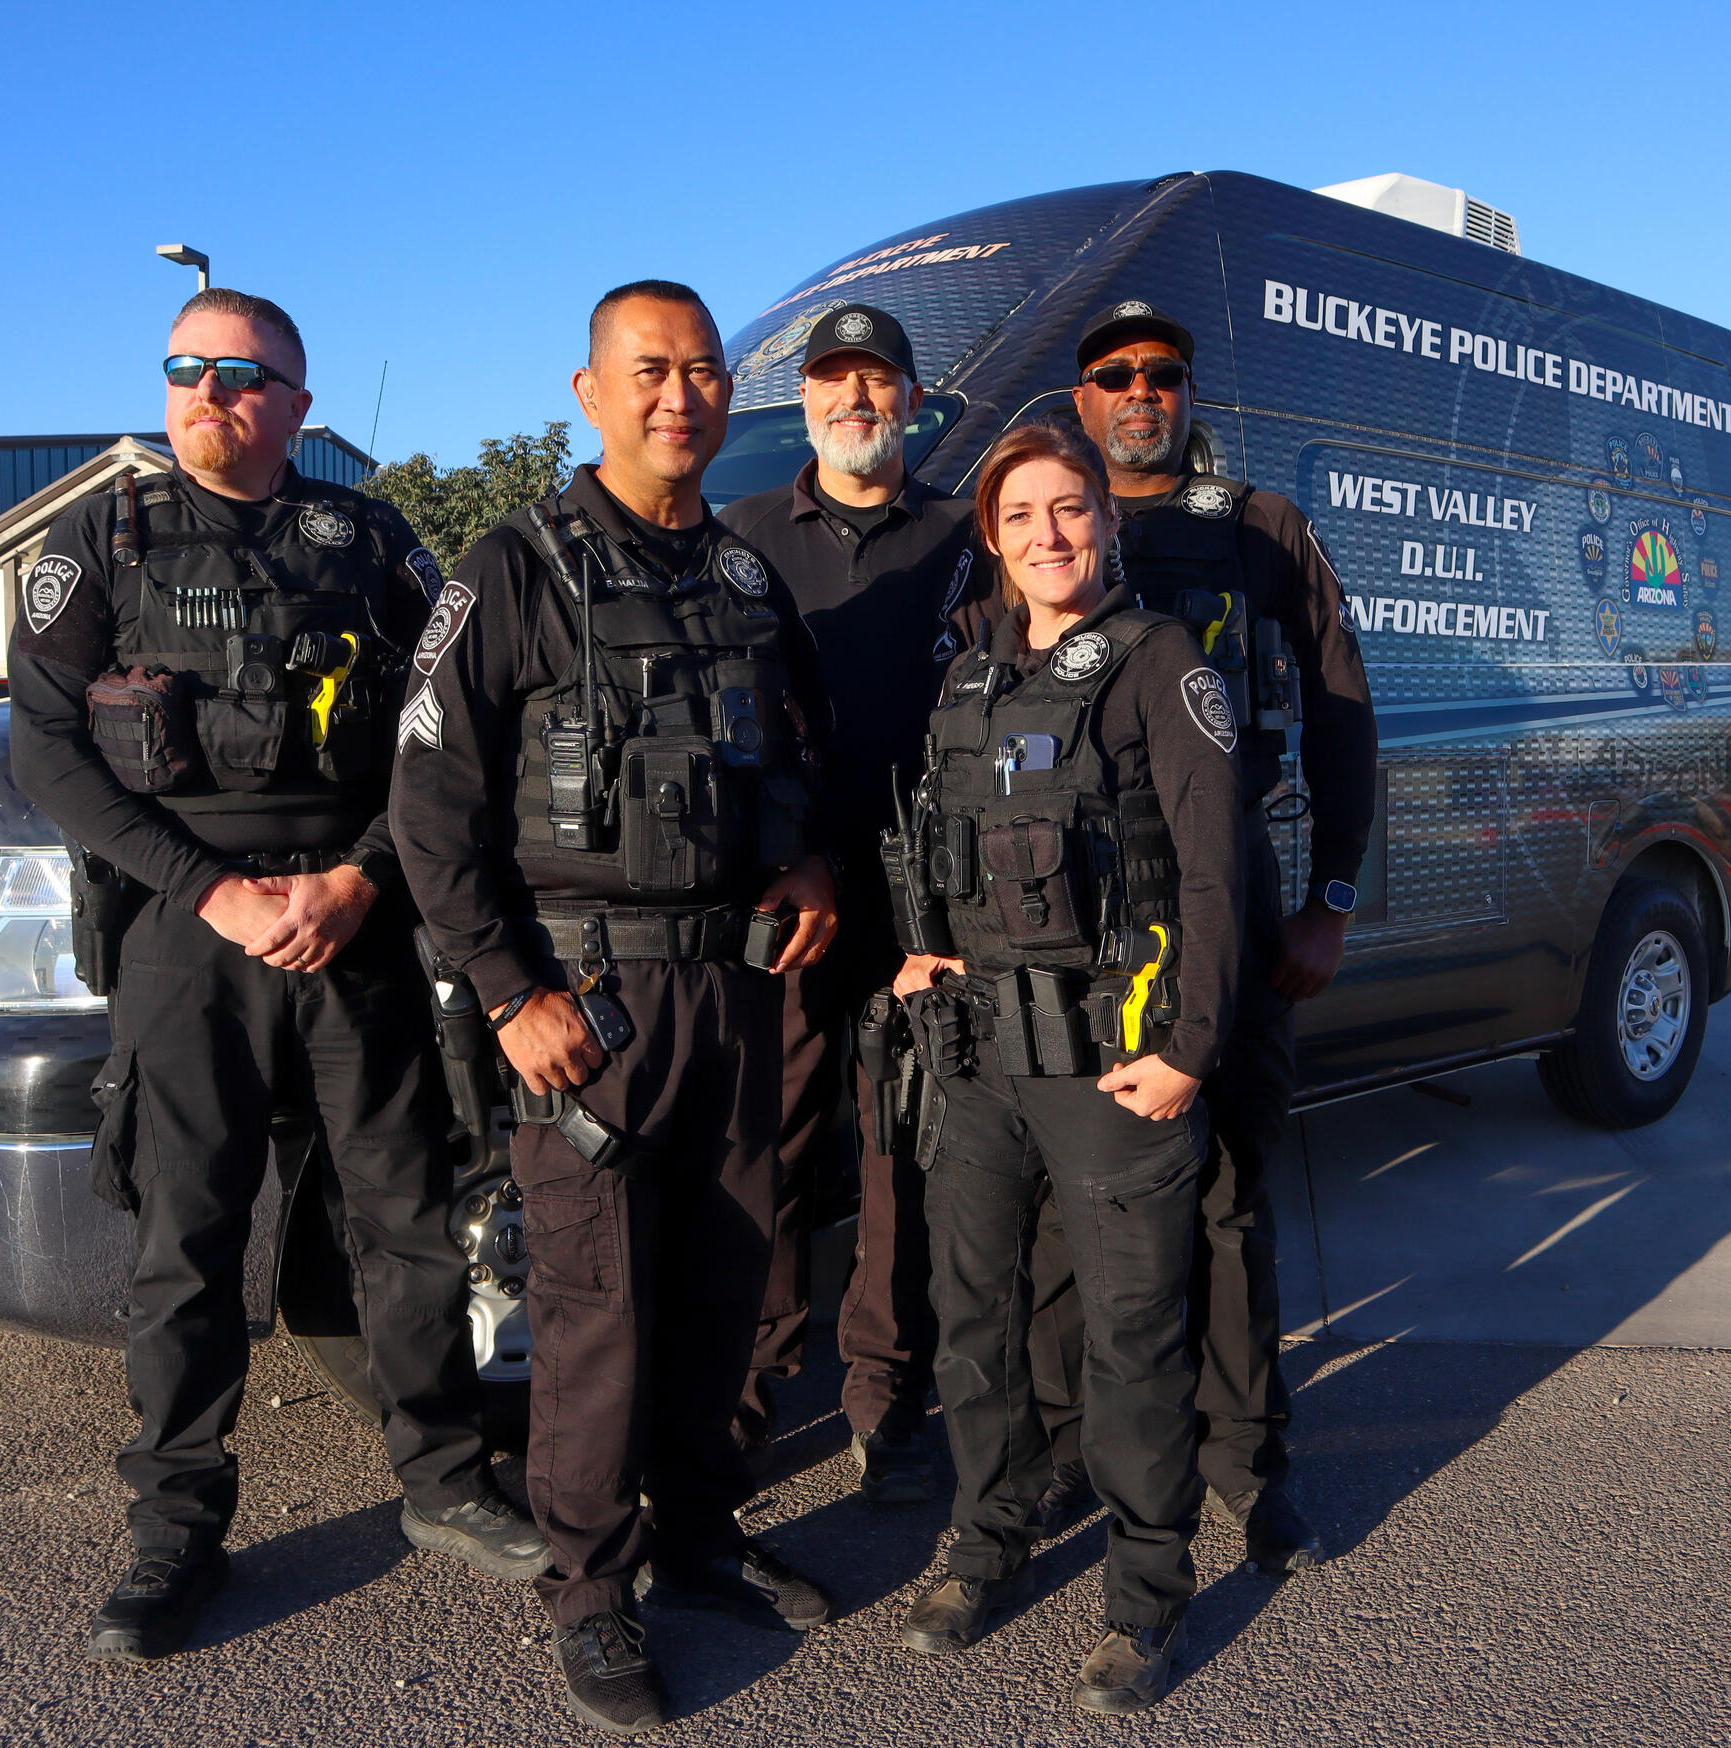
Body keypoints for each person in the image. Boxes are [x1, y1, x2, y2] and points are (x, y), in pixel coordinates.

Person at [11, 289, 540, 1665]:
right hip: (191, 931)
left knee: (404, 1216)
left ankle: (444, 1481)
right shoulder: (100, 539)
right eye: (187, 366)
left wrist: (360, 878)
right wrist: (211, 892)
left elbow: (444, 730)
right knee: (185, 1240)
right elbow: (47, 751)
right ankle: (176, 1525)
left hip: (354, 922)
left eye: (244, 374)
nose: (210, 392)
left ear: (299, 406)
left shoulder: (367, 539)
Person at [389, 281, 840, 1738]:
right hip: (585, 1003)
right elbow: (428, 808)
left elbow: (806, 753)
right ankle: (590, 1586)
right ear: (588, 392)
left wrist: (812, 861)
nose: (679, 395)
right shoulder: (512, 567)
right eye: (648, 370)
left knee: (728, 1281)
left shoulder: (748, 574)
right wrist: (507, 991)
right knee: (597, 1309)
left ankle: (700, 1533)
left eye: (702, 370)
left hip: (735, 987)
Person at [889, 419, 1245, 1713]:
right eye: (1020, 515)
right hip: (978, 1053)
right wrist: (922, 949)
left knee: (1130, 1336)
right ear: (992, 538)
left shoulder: (1161, 664)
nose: (1048, 534)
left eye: (1070, 507)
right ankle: (986, 1542)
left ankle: (1146, 1592)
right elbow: (943, 842)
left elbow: (1212, 873)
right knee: (975, 1320)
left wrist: (1189, 1049)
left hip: (1113, 1058)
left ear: (1105, 518)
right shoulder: (968, 677)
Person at [1030, 299, 1379, 1569]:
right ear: (1080, 398)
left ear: (1185, 391)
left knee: (1228, 1195)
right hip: (1071, 919)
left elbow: (1340, 714)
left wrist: (1326, 898)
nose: (1141, 392)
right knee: (1067, 1202)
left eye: (1162, 373)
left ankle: (1245, 1460)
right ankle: (1066, 1444)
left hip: (1230, 893)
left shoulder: (1260, 527)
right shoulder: (1043, 529)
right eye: (1114, 373)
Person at [722, 303, 995, 1502]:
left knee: (902, 1150)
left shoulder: (967, 538)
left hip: (921, 900)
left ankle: (886, 1392)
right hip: (783, 890)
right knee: (766, 1142)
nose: (854, 399)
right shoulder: (740, 537)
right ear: (804, 400)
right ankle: (749, 1384)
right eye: (832, 379)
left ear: (911, 400)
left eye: (876, 379)